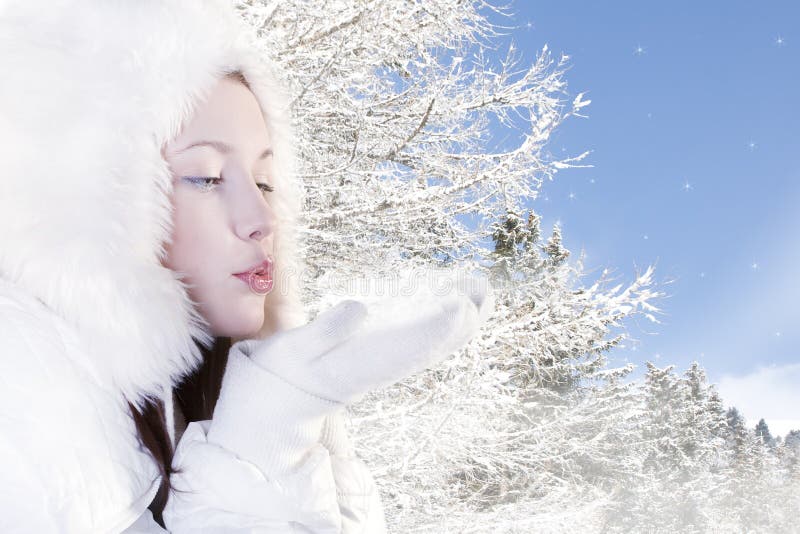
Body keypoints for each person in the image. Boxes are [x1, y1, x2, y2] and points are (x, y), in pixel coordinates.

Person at [0, 1, 493, 532]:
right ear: (81, 203)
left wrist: (287, 436)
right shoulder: (20, 405)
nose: (262, 219)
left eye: (265, 183)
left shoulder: (193, 397)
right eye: (207, 177)